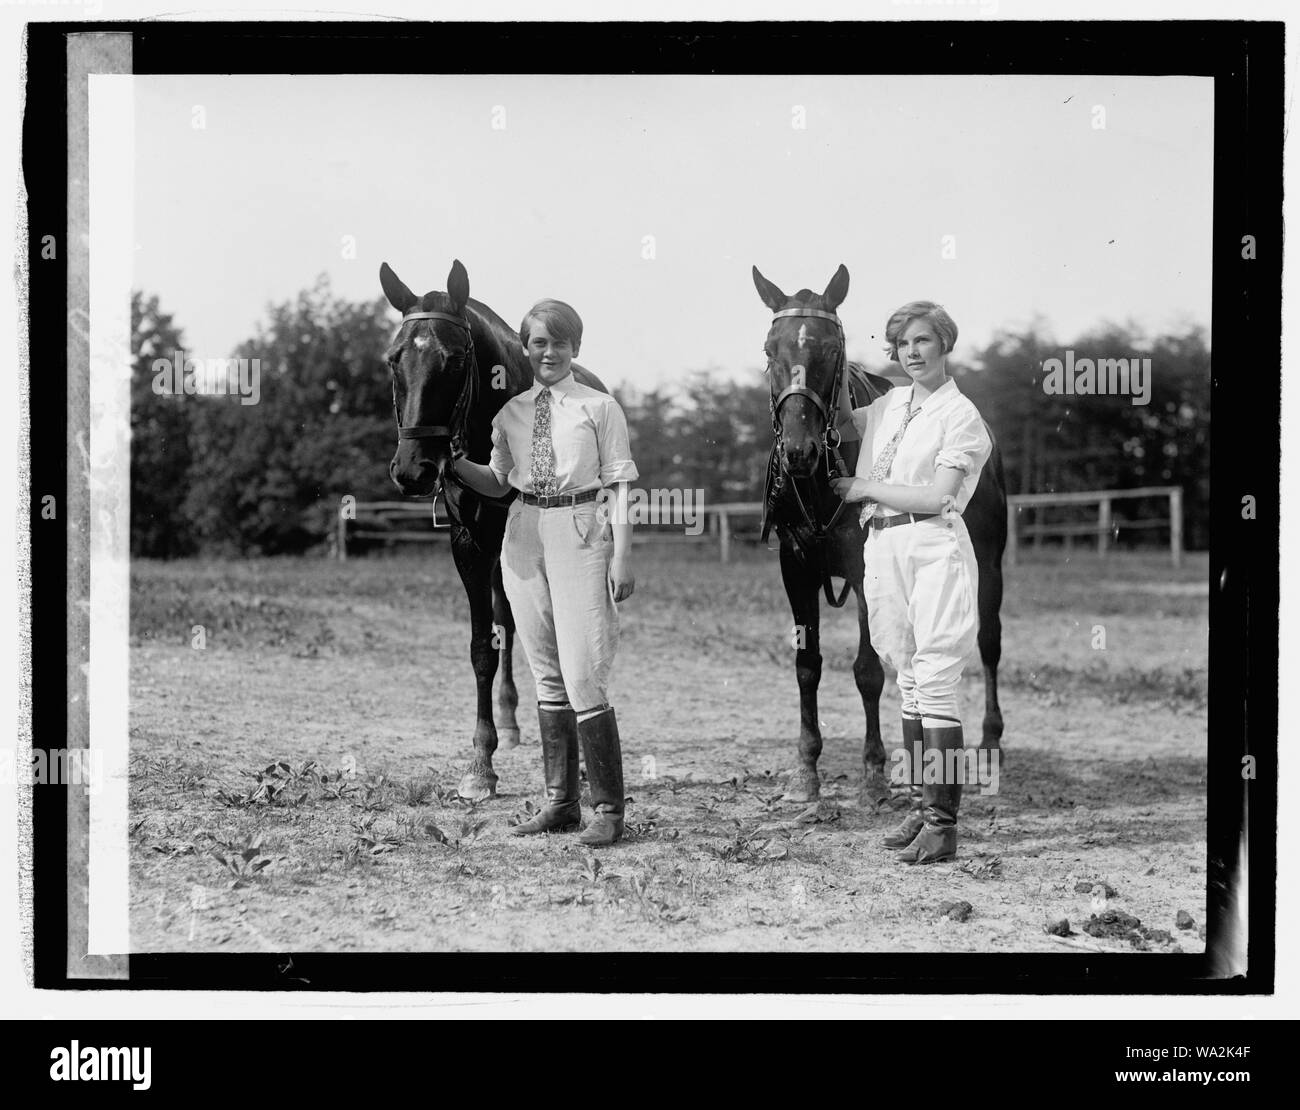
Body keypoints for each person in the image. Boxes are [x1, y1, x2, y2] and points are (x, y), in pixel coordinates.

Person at [451, 299, 637, 847]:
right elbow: (497, 480)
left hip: (580, 526)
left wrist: (621, 555)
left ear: (575, 347)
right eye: (538, 343)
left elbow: (621, 484)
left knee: (584, 671)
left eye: (559, 342)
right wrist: (452, 462)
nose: (548, 352)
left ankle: (608, 808)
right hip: (524, 529)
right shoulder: (509, 412)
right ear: (526, 350)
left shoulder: (599, 407)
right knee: (545, 671)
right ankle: (561, 803)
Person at [831, 301, 991, 864]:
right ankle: (923, 809)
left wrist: (865, 489)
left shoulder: (962, 416)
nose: (913, 353)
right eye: (902, 345)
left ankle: (944, 825)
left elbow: (938, 495)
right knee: (908, 679)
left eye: (923, 341)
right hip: (884, 545)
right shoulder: (889, 404)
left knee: (938, 681)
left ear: (945, 344)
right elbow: (832, 414)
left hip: (933, 545)